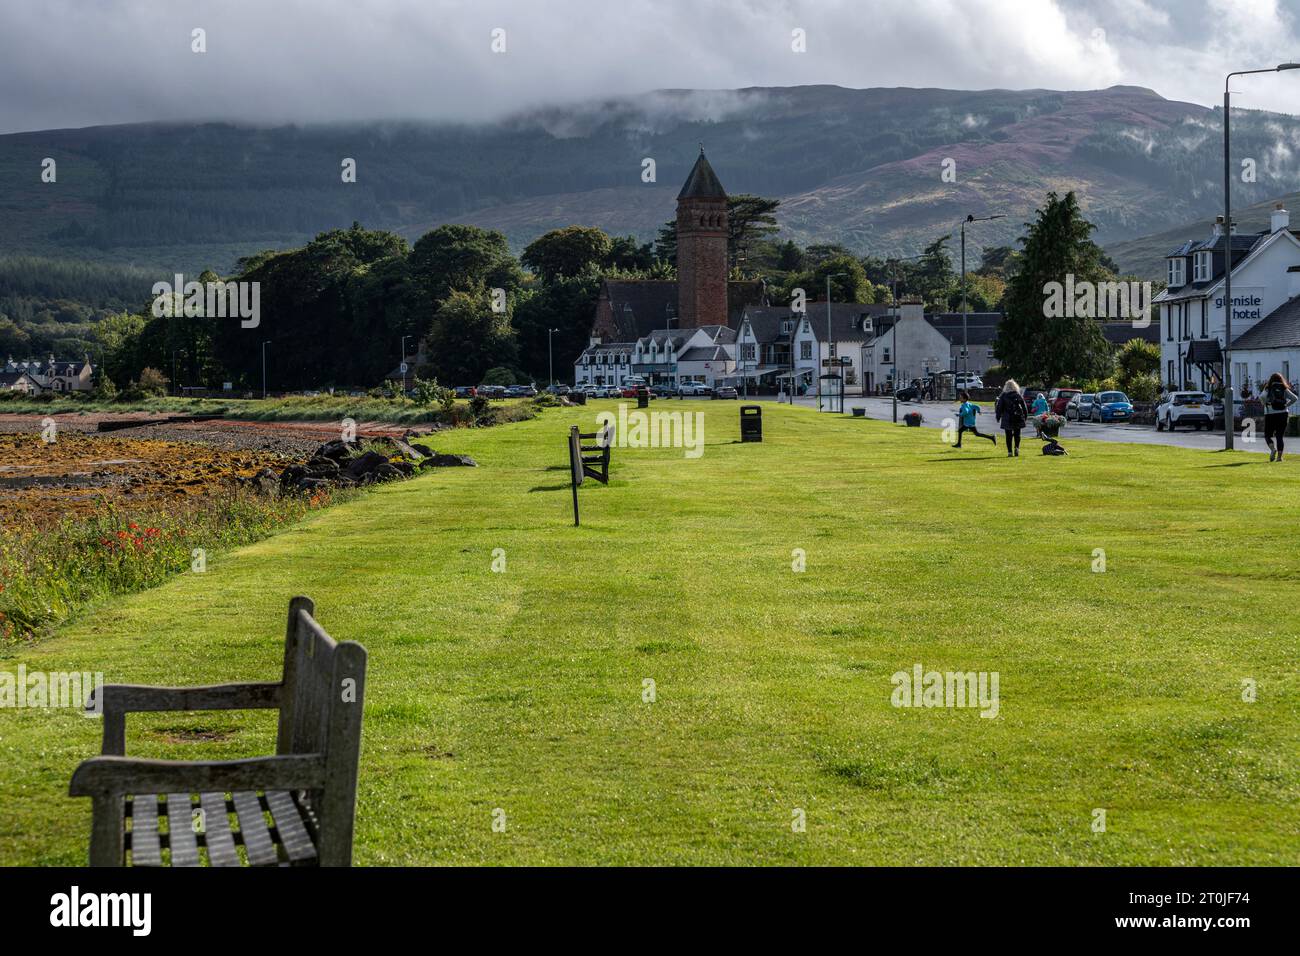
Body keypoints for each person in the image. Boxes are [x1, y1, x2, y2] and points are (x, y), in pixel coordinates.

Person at [1261, 372, 1298, 462]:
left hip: (1270, 414)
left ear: (1271, 380)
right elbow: (1295, 398)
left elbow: (1262, 397)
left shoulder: (1268, 388)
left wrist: (1265, 403)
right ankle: (1279, 458)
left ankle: (1273, 449)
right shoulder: (1284, 388)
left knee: (1267, 435)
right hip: (1283, 413)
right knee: (1279, 436)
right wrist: (1286, 405)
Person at [995, 379, 1028, 457]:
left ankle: (1009, 451)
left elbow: (999, 407)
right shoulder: (1018, 395)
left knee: (1008, 435)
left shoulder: (1003, 396)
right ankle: (1017, 448)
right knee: (1017, 434)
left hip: (1007, 418)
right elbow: (1024, 407)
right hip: (1017, 417)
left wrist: (998, 417)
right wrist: (1025, 416)